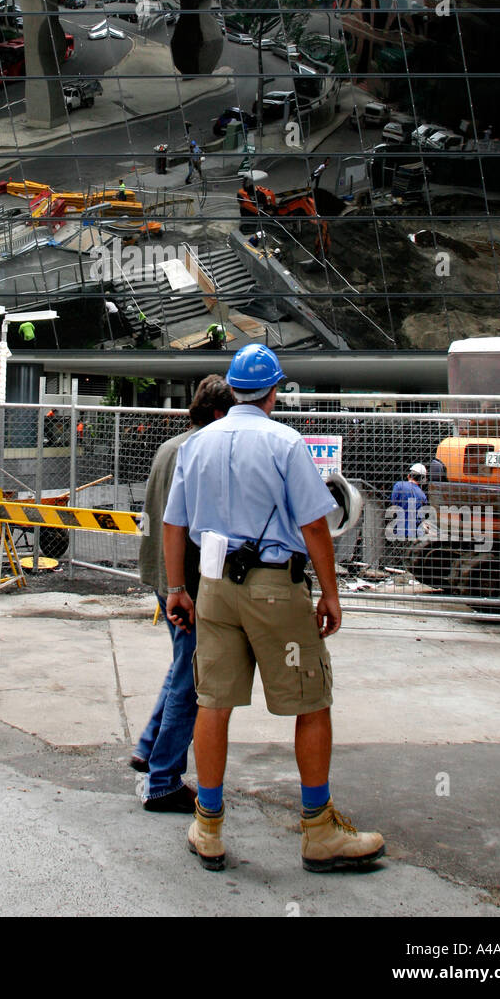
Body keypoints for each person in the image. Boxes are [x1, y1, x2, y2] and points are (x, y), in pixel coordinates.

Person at [163, 343, 384, 873]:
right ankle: (319, 831)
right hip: (274, 590)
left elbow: (174, 524)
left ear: (233, 389)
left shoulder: (198, 444)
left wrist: (177, 588)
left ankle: (208, 827)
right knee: (310, 702)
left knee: (213, 702)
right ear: (274, 392)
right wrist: (330, 593)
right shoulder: (286, 443)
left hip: (214, 587)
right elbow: (314, 525)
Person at [133, 376, 235, 812]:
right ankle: (163, 781)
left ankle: (148, 746)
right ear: (217, 413)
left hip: (163, 578)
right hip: (185, 586)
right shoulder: (199, 453)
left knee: (182, 666)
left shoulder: (170, 446)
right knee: (191, 681)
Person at [389, 463, 428, 544]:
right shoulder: (422, 496)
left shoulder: (399, 486)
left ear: (409, 475)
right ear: (422, 479)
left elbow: (393, 506)